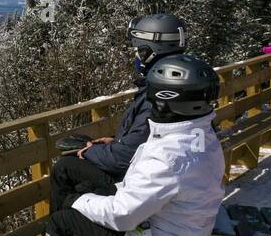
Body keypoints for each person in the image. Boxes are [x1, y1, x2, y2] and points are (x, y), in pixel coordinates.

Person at [21, 53, 226, 236]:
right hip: (175, 234)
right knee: (70, 173)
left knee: (63, 224)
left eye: (153, 97)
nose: (150, 104)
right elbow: (153, 181)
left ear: (167, 101)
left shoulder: (171, 155)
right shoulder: (197, 133)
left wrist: (76, 202)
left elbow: (122, 215)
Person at [48, 13, 189, 214]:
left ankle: (62, 227)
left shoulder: (158, 95)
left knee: (65, 167)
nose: (135, 57)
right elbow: (147, 137)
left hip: (138, 179)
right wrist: (114, 141)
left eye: (137, 50)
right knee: (80, 167)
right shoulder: (178, 84)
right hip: (152, 172)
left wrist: (89, 150)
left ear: (149, 51)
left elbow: (126, 157)